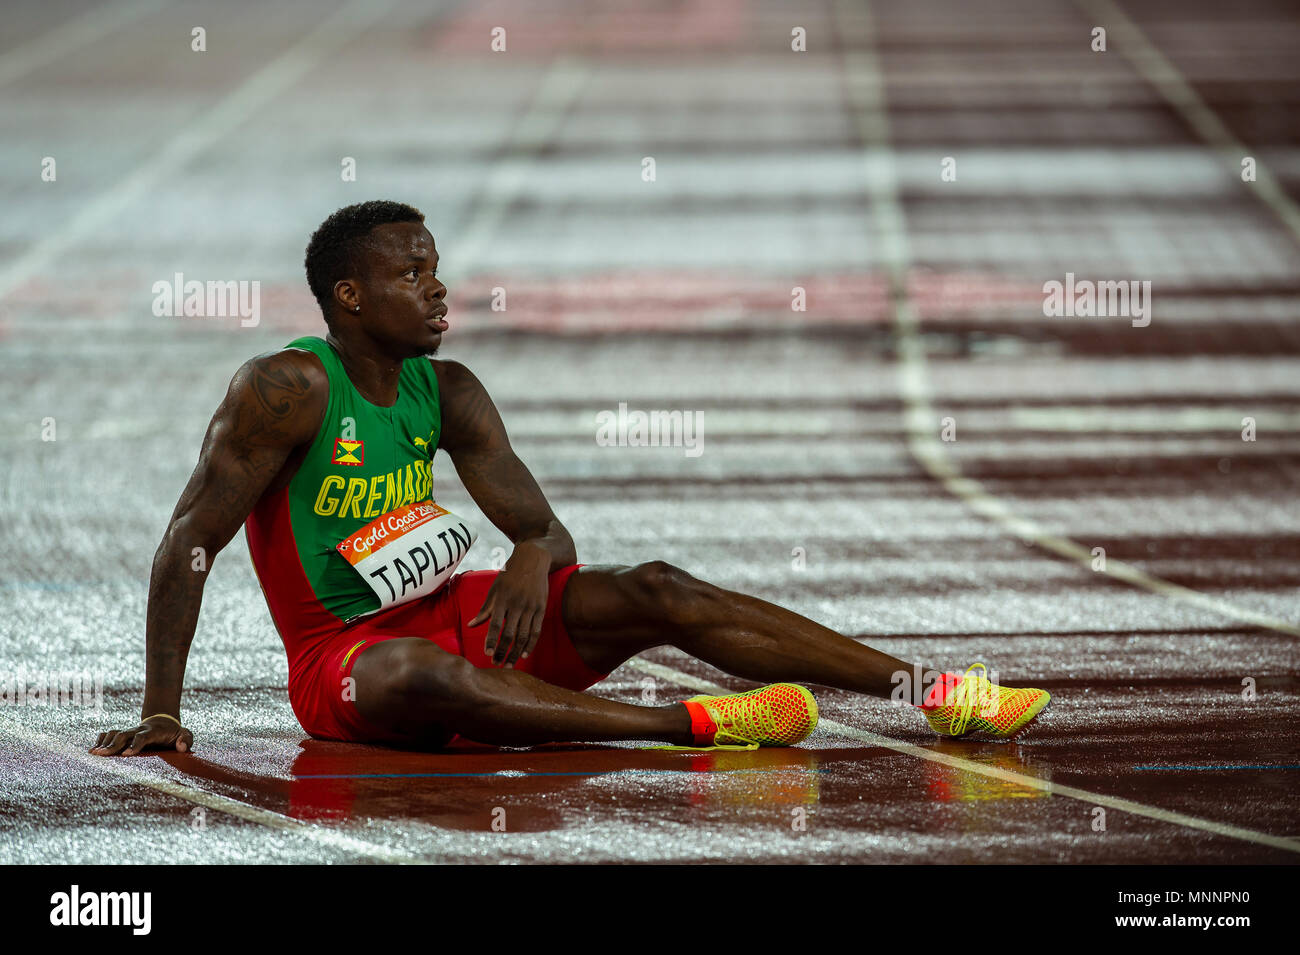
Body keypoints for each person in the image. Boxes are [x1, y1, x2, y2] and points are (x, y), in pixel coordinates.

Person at [90, 200, 1050, 758]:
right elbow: (191, 541)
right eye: (411, 274)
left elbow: (544, 528)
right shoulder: (285, 389)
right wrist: (162, 710)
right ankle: (693, 725)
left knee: (658, 586)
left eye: (437, 269)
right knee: (422, 670)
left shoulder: (449, 391)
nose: (438, 289)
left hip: (455, 612)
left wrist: (529, 558)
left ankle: (926, 689)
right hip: (346, 661)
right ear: (350, 296)